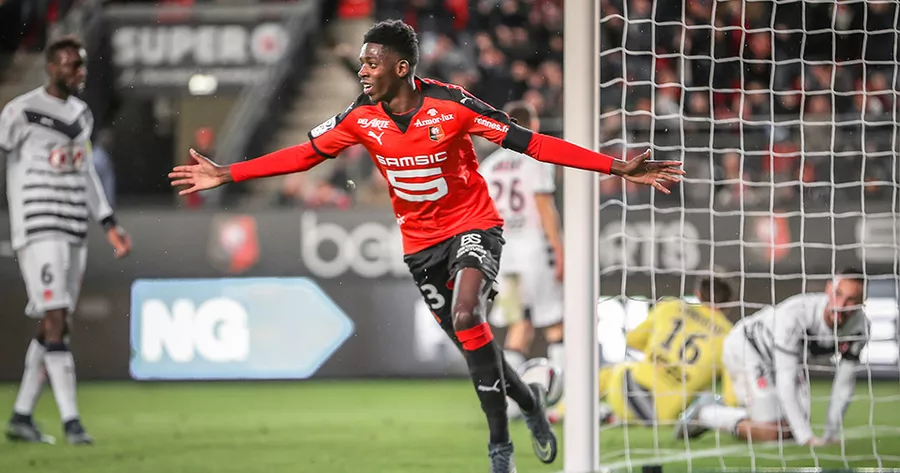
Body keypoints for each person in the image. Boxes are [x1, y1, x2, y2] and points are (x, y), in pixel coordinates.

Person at [168, 20, 683, 472]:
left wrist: (615, 166)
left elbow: (531, 142)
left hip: (474, 225)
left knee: (467, 316)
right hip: (420, 246)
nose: (364, 70)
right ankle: (527, 400)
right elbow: (305, 155)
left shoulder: (453, 104)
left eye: (373, 62)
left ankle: (499, 445)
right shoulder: (358, 117)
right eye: (363, 62)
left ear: (403, 67)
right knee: (474, 343)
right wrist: (228, 173)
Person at [1, 35, 132, 445]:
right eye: (73, 65)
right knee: (56, 317)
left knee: (56, 323)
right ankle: (72, 421)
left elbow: (85, 171)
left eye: (82, 64)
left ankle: (22, 415)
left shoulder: (81, 115)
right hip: (39, 225)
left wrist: (107, 219)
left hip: (74, 226)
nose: (80, 72)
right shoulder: (20, 112)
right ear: (51, 67)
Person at [675, 268, 870, 447]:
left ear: (863, 301)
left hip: (781, 361)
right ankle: (706, 413)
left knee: (789, 429)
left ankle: (734, 412)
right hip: (747, 348)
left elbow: (844, 384)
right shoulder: (797, 315)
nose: (841, 306)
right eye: (838, 295)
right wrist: (807, 439)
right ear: (829, 289)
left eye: (852, 300)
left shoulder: (860, 329)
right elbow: (786, 381)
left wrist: (830, 434)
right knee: (773, 432)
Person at [479, 101, 565, 419]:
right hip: (533, 249)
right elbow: (544, 208)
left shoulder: (489, 165)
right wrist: (560, 249)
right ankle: (562, 395)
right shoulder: (537, 158)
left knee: (519, 326)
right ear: (531, 125)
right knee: (555, 323)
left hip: (504, 253)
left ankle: (507, 404)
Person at [554, 276, 735, 425]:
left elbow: (632, 340)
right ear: (729, 303)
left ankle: (559, 412)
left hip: (631, 391)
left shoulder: (671, 306)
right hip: (666, 416)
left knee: (613, 371)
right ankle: (611, 416)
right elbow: (731, 397)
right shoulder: (729, 336)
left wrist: (659, 356)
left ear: (697, 294)